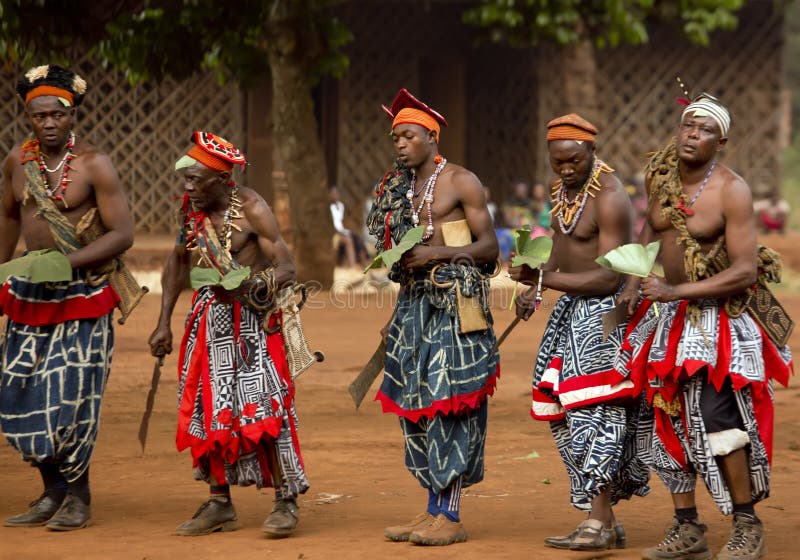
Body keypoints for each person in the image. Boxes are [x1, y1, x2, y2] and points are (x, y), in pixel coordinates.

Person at [615, 95, 793, 560]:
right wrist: (635, 281)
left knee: (718, 418)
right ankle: (687, 527)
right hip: (667, 319)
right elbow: (649, 236)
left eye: (704, 129)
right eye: (687, 126)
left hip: (718, 319)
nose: (692, 134)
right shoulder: (663, 181)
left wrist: (676, 292)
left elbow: (745, 271)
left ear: (722, 141)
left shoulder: (731, 190)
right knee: (662, 418)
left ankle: (747, 523)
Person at [148, 132, 309, 538]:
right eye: (185, 178)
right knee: (206, 408)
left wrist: (253, 285)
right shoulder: (191, 211)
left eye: (195, 179)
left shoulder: (253, 208)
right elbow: (176, 263)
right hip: (208, 322)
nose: (187, 186)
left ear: (222, 180)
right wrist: (163, 320)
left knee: (266, 407)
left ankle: (285, 500)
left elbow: (287, 267)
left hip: (253, 324)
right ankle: (219, 502)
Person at [0, 64, 140, 530]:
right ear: (29, 118)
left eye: (57, 114)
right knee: (21, 391)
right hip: (30, 294)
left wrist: (67, 264)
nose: (49, 123)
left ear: (72, 113)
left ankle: (78, 495)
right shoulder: (17, 164)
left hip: (84, 293)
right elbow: (8, 219)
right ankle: (51, 492)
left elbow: (123, 234)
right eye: (39, 116)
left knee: (72, 396)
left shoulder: (95, 164)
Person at [509, 113, 649, 551]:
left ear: (591, 151)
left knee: (596, 408)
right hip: (572, 310)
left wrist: (543, 282)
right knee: (561, 406)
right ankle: (602, 518)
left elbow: (610, 277)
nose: (565, 169)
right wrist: (534, 275)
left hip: (604, 314)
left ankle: (599, 520)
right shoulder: (562, 192)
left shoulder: (610, 198)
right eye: (557, 163)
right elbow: (563, 256)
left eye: (573, 160)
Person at [366, 88, 499, 546]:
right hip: (413, 306)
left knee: (451, 401)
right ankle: (431, 511)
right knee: (416, 404)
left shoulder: (462, 181)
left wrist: (437, 253)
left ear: (431, 137)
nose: (400, 144)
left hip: (457, 304)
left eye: (409, 136)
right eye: (396, 138)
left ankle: (453, 516)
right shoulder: (398, 190)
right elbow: (401, 258)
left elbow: (489, 249)